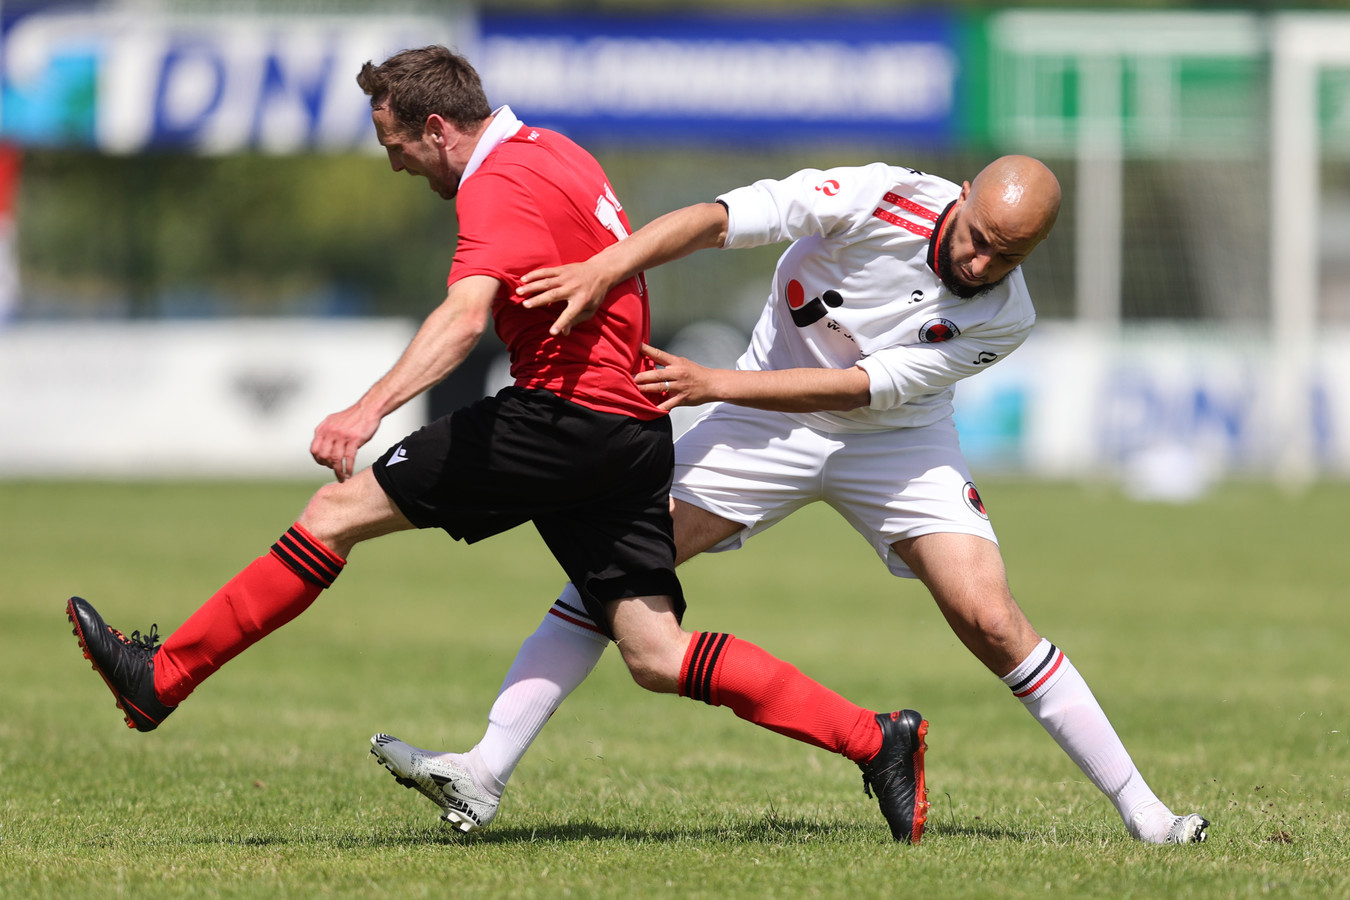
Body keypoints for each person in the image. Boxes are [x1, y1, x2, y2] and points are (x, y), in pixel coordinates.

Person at [64, 45, 929, 844]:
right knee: (656, 654)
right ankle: (875, 740)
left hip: (561, 417)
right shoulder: (556, 150)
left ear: (436, 128)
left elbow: (462, 316)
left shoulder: (497, 182)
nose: (395, 162)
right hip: (628, 429)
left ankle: (162, 677)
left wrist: (367, 411)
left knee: (332, 513)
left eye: (394, 142)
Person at [367, 156, 1211, 845]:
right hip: (760, 423)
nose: (982, 264)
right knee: (616, 574)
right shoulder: (876, 196)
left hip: (897, 443)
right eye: (979, 239)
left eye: (1006, 257)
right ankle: (484, 770)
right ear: (960, 197)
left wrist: (709, 382)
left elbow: (858, 390)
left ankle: (1147, 816)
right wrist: (608, 264)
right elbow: (717, 218)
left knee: (991, 620)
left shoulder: (1006, 316)